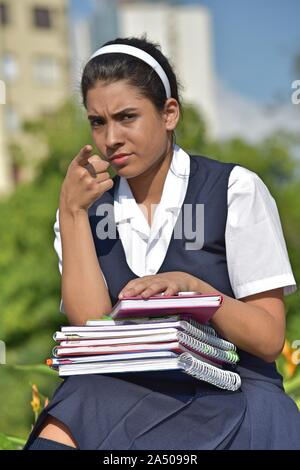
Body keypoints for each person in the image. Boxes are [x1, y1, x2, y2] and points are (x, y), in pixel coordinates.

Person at [24, 36, 300, 450]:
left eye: (127, 117)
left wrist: (198, 291)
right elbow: (90, 328)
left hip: (232, 392)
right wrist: (73, 213)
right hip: (127, 393)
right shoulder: (84, 209)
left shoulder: (234, 189)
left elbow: (268, 339)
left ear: (169, 113)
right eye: (98, 122)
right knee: (66, 418)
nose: (110, 138)